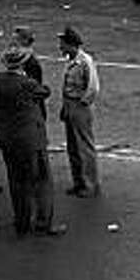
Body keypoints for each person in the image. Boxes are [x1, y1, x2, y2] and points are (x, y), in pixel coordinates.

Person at [0, 46, 65, 237]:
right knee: (41, 181)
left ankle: (22, 221)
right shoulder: (26, 83)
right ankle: (43, 223)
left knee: (17, 181)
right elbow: (45, 91)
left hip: (8, 137)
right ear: (21, 64)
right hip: (31, 139)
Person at [58, 26, 100, 198]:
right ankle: (79, 182)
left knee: (85, 147)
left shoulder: (85, 61)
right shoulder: (71, 59)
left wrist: (81, 104)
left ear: (71, 45)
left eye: (62, 44)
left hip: (80, 105)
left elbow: (93, 88)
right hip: (70, 104)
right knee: (73, 147)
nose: (60, 47)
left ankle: (90, 184)